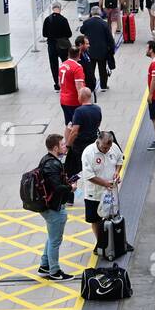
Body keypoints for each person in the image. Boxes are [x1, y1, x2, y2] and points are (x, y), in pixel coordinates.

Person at [36, 133, 75, 281]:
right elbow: (57, 187)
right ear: (55, 148)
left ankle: (44, 266)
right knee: (55, 241)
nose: (65, 146)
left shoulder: (47, 159)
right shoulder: (52, 164)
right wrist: (71, 188)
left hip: (49, 206)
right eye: (63, 145)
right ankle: (55, 271)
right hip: (54, 208)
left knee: (51, 237)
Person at [82, 130, 123, 250]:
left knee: (113, 214)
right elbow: (88, 176)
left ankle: (118, 241)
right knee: (95, 219)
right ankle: (101, 243)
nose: (106, 150)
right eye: (104, 147)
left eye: (108, 148)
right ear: (98, 141)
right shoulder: (88, 153)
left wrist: (117, 172)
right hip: (94, 194)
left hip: (110, 192)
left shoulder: (113, 147)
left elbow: (120, 160)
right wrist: (105, 183)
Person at [66, 87, 102, 176]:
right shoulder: (97, 108)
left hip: (80, 145)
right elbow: (98, 124)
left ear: (81, 97)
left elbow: (74, 132)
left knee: (79, 167)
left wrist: (68, 145)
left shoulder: (79, 111)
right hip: (94, 141)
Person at [80, 9, 116, 92]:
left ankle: (91, 85)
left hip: (90, 50)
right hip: (102, 50)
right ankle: (103, 86)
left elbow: (82, 30)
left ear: (91, 13)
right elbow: (109, 38)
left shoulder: (87, 23)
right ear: (100, 13)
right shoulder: (104, 23)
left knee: (90, 69)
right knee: (102, 69)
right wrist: (112, 49)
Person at [41, 1, 72, 91]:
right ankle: (66, 82)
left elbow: (44, 34)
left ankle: (57, 84)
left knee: (53, 65)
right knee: (65, 64)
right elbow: (69, 34)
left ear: (52, 9)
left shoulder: (47, 19)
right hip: (62, 46)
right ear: (60, 8)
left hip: (51, 45)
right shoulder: (63, 20)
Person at [58, 44, 85, 123]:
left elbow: (59, 83)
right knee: (77, 126)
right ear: (79, 54)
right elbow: (79, 87)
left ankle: (67, 136)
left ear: (68, 54)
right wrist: (84, 102)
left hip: (63, 100)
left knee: (69, 124)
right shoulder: (77, 67)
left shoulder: (62, 65)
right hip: (74, 101)